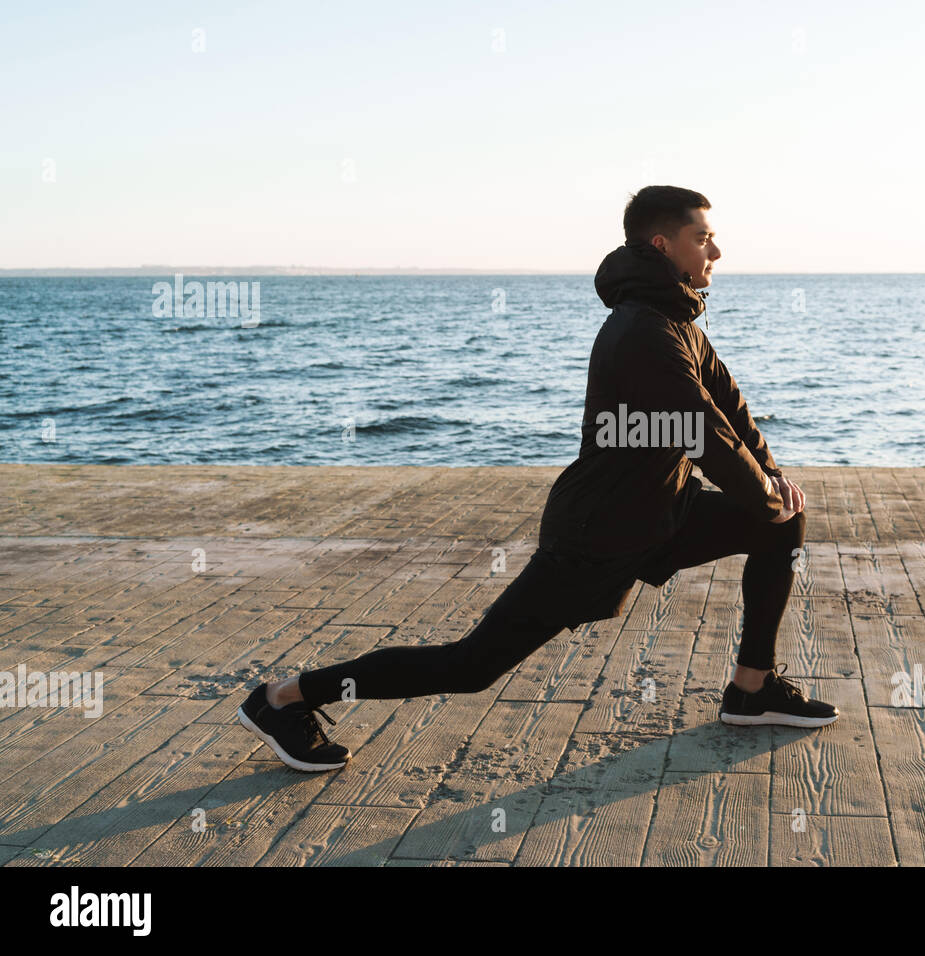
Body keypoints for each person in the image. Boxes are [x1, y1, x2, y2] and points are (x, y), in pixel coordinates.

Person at [237, 185, 838, 772]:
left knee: (780, 525)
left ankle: (751, 690)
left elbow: (730, 408)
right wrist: (761, 493)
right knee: (471, 667)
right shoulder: (643, 333)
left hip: (664, 511)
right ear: (663, 243)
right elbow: (697, 430)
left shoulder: (675, 321)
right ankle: (281, 699)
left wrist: (773, 481)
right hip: (598, 533)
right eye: (703, 239)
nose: (716, 253)